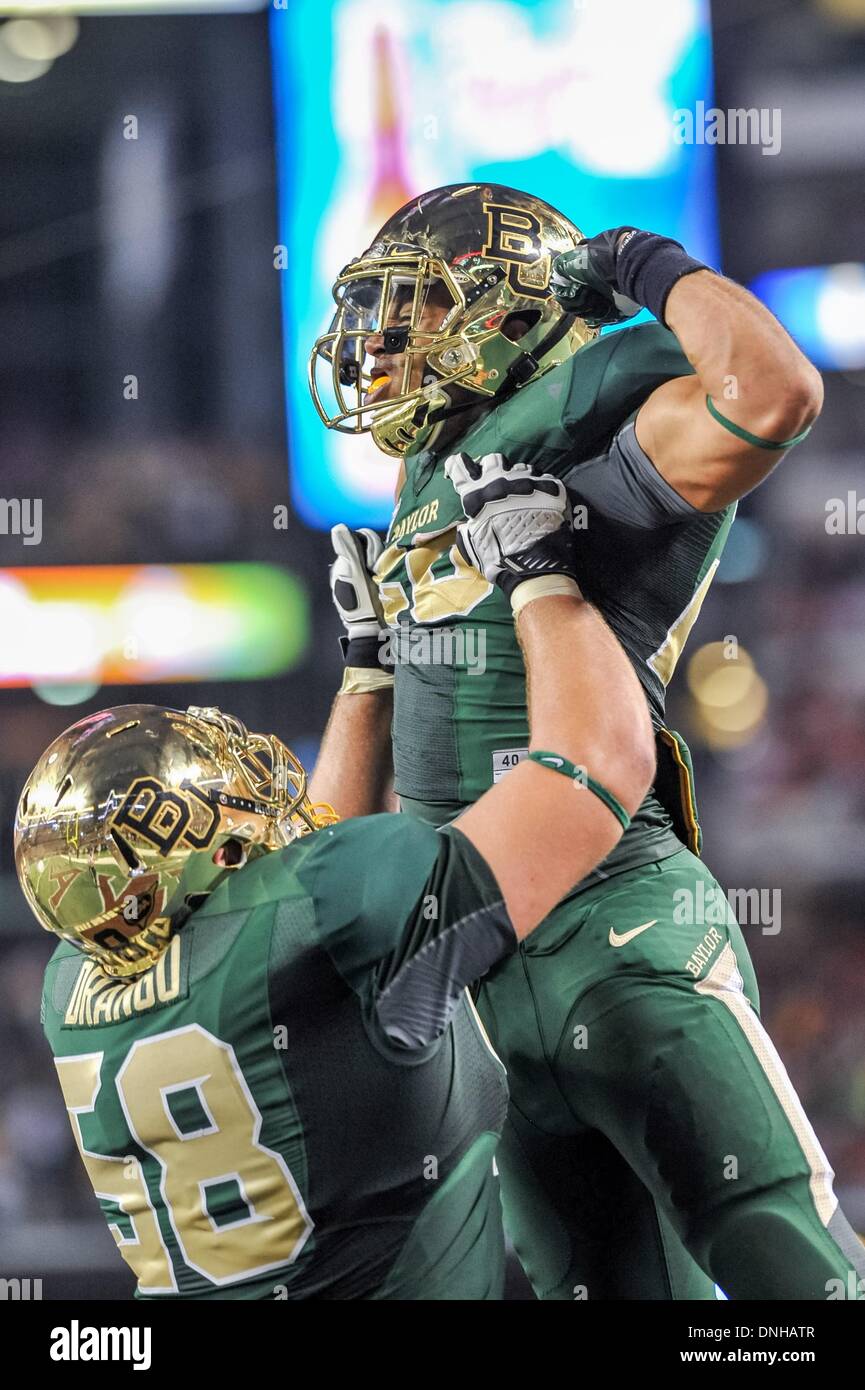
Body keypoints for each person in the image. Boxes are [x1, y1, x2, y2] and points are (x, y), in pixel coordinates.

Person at [309, 182, 865, 1299]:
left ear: (507, 303)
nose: (382, 341)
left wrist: (645, 264)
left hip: (614, 927)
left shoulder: (594, 408)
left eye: (415, 305)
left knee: (783, 1263)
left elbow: (774, 393)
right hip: (475, 967)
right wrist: (368, 676)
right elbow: (351, 833)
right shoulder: (435, 468)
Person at [15, 457, 653, 1300]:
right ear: (199, 855)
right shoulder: (320, 907)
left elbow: (300, 928)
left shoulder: (72, 985)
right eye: (223, 797)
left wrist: (367, 679)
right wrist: (541, 578)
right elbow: (602, 765)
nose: (251, 796)